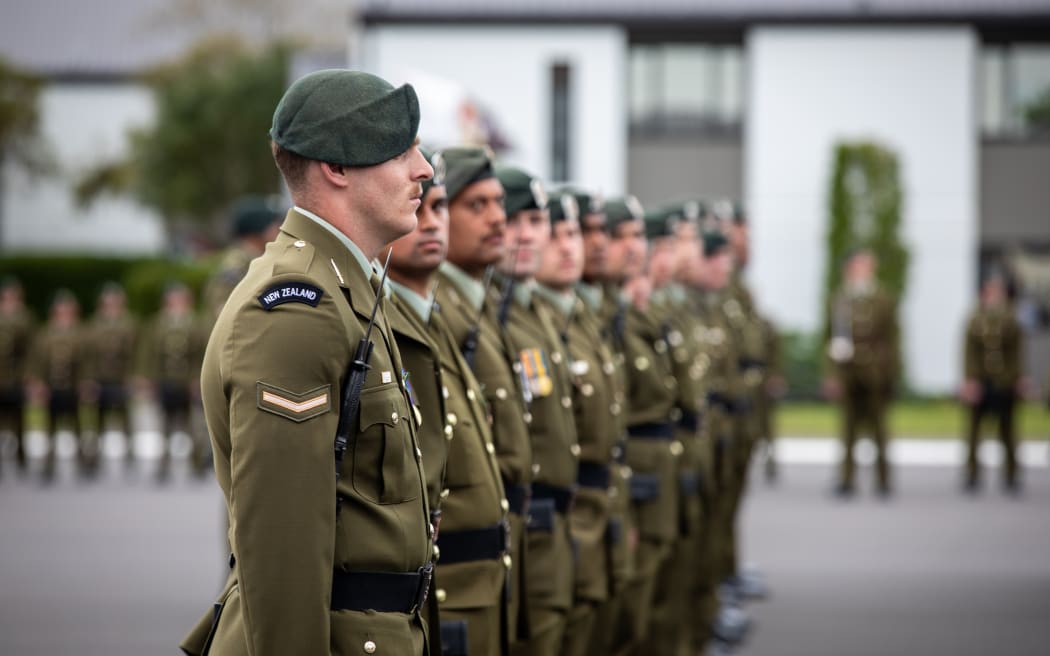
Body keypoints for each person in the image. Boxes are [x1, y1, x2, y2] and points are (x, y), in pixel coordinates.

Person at [180, 69, 435, 656]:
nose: (424, 169)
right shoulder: (298, 306)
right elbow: (283, 546)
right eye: (400, 151)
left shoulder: (347, 288)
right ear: (336, 168)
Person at [386, 148, 510, 656]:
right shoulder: (389, 322)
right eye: (421, 208)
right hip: (442, 590)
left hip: (480, 583)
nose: (430, 222)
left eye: (439, 208)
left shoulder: (435, 319)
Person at [434, 146, 534, 649]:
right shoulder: (436, 316)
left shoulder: (480, 307)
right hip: (458, 576)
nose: (499, 219)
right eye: (477, 205)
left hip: (502, 559)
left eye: (499, 204)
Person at [494, 165, 580, 656]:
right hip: (516, 534)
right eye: (514, 220)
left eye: (535, 221)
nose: (526, 234)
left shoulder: (537, 314)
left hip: (555, 529)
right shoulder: (486, 315)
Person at [533, 190, 621, 656]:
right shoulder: (530, 321)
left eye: (576, 234)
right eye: (558, 234)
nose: (573, 248)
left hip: (592, 511)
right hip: (553, 524)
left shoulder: (576, 314)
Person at [604, 197, 680, 656]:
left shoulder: (631, 312)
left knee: (654, 595)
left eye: (640, 237)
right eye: (623, 236)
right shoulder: (614, 315)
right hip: (625, 475)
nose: (638, 248)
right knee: (628, 614)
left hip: (644, 468)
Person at [824, 248, 900, 497]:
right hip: (848, 371)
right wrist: (832, 375)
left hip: (876, 370)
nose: (861, 271)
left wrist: (891, 373)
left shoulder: (883, 298)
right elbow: (831, 337)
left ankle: (883, 479)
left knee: (879, 428)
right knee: (848, 429)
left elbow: (892, 338)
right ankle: (847, 479)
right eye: (857, 266)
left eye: (866, 266)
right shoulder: (841, 298)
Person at [961, 272, 1026, 493]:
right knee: (973, 433)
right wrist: (970, 379)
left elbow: (1016, 353)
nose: (993, 295)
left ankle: (1011, 475)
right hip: (981, 380)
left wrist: (1017, 378)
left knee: (1007, 431)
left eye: (997, 291)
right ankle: (972, 475)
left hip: (1004, 381)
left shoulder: (1011, 319)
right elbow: (969, 353)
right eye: (989, 291)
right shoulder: (975, 319)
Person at [137, 283, 208, 481]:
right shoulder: (157, 323)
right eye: (173, 299)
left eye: (181, 299)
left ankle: (197, 465)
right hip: (164, 381)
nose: (177, 303)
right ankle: (163, 466)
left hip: (187, 383)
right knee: (164, 426)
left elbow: (202, 354)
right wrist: (147, 379)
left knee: (193, 426)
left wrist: (197, 379)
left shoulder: (196, 323)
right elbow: (149, 353)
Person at [28, 289, 91, 481]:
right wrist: (37, 383)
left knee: (77, 427)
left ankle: (82, 465)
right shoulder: (46, 333)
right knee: (50, 428)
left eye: (68, 308)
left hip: (73, 386)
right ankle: (48, 466)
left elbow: (87, 360)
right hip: (52, 385)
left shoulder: (81, 332)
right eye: (61, 308)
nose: (64, 312)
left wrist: (86, 383)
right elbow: (37, 360)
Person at [203, 196, 284, 320]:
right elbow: (222, 310)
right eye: (273, 225)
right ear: (257, 229)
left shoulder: (255, 258)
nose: (279, 229)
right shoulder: (237, 264)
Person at [84, 282, 138, 465]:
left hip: (121, 378)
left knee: (125, 420)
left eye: (115, 301)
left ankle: (129, 457)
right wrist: (89, 379)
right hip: (101, 378)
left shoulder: (129, 323)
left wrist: (133, 377)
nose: (112, 305)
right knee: (97, 421)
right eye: (109, 302)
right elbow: (88, 354)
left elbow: (134, 353)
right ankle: (93, 458)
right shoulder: (95, 324)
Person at [0, 277, 34, 475]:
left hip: (16, 376)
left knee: (18, 420)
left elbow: (32, 350)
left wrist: (29, 376)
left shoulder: (25, 317)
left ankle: (21, 458)